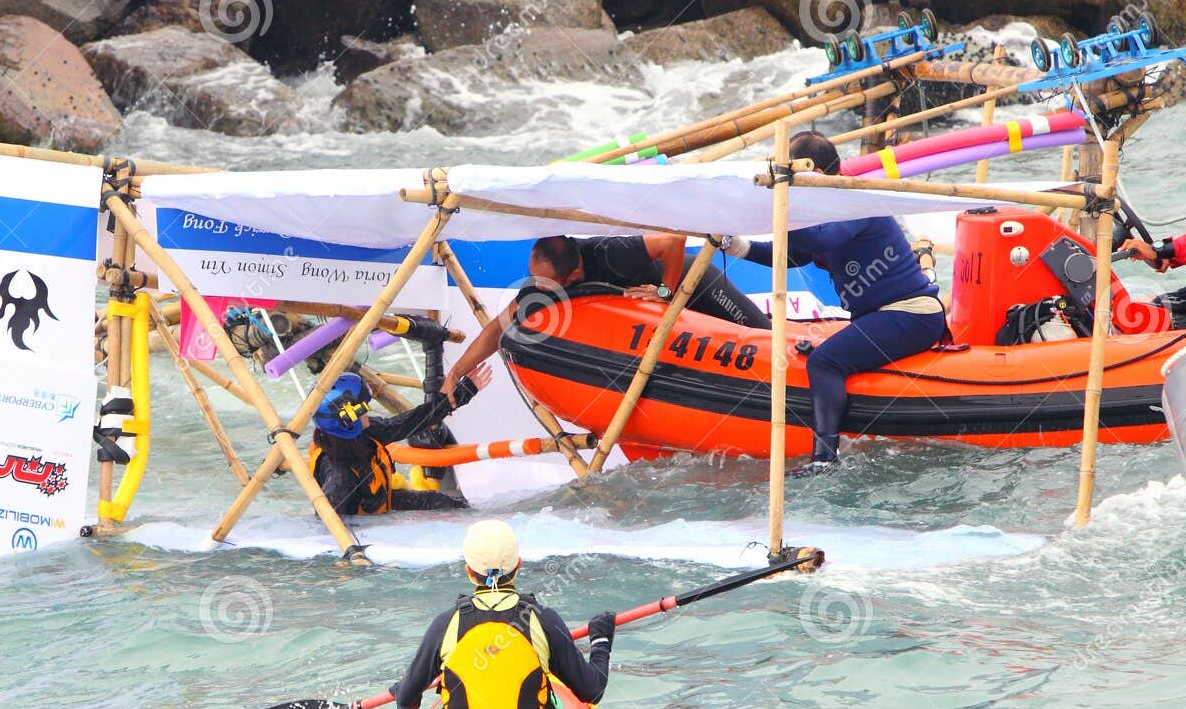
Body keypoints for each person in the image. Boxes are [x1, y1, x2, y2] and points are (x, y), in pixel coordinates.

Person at [713, 131, 946, 470]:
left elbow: (821, 239)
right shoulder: (825, 210)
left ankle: (824, 459)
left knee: (824, 363)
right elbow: (795, 256)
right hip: (878, 316)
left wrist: (782, 203)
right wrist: (737, 246)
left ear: (816, 175)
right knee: (828, 357)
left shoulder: (856, 201)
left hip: (912, 314)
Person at [441, 231, 769, 398]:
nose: (537, 290)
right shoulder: (541, 287)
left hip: (692, 283)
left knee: (765, 337)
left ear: (571, 277)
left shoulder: (610, 253)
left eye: (545, 284)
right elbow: (495, 332)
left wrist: (666, 294)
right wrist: (455, 374)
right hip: (659, 321)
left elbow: (673, 240)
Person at [392, 519, 615, 709]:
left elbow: (405, 702)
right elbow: (592, 691)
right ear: (519, 565)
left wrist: (404, 689)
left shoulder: (446, 622)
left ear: (469, 572)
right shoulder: (544, 618)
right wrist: (600, 639)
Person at [310, 366, 491, 515]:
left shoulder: (362, 432)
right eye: (364, 407)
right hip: (366, 523)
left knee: (450, 503)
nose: (369, 410)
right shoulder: (339, 478)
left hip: (383, 501)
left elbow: (411, 421)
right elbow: (326, 529)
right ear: (348, 421)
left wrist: (462, 393)